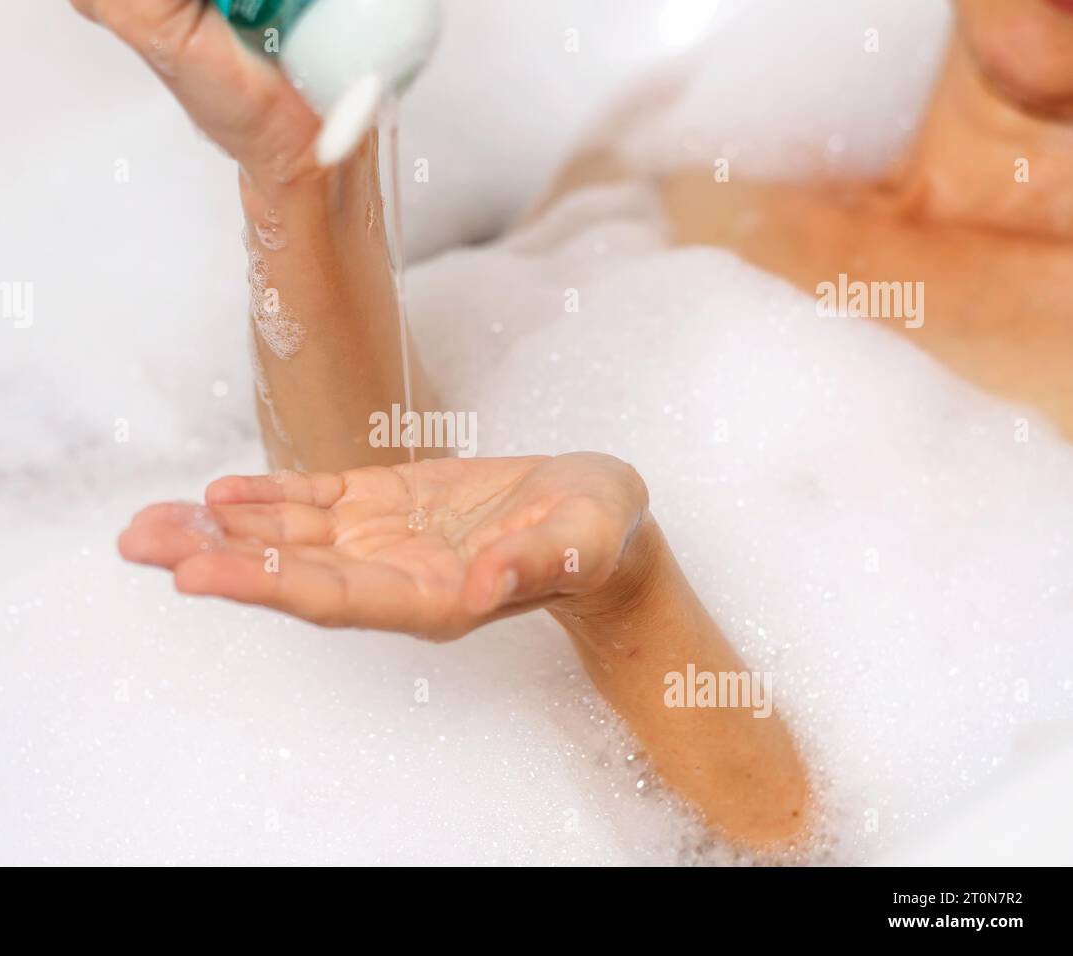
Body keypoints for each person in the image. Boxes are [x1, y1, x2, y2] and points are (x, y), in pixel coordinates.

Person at [72, 0, 1072, 848]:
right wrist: (304, 175)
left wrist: (627, 594)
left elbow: (848, 851)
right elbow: (387, 505)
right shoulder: (681, 139)